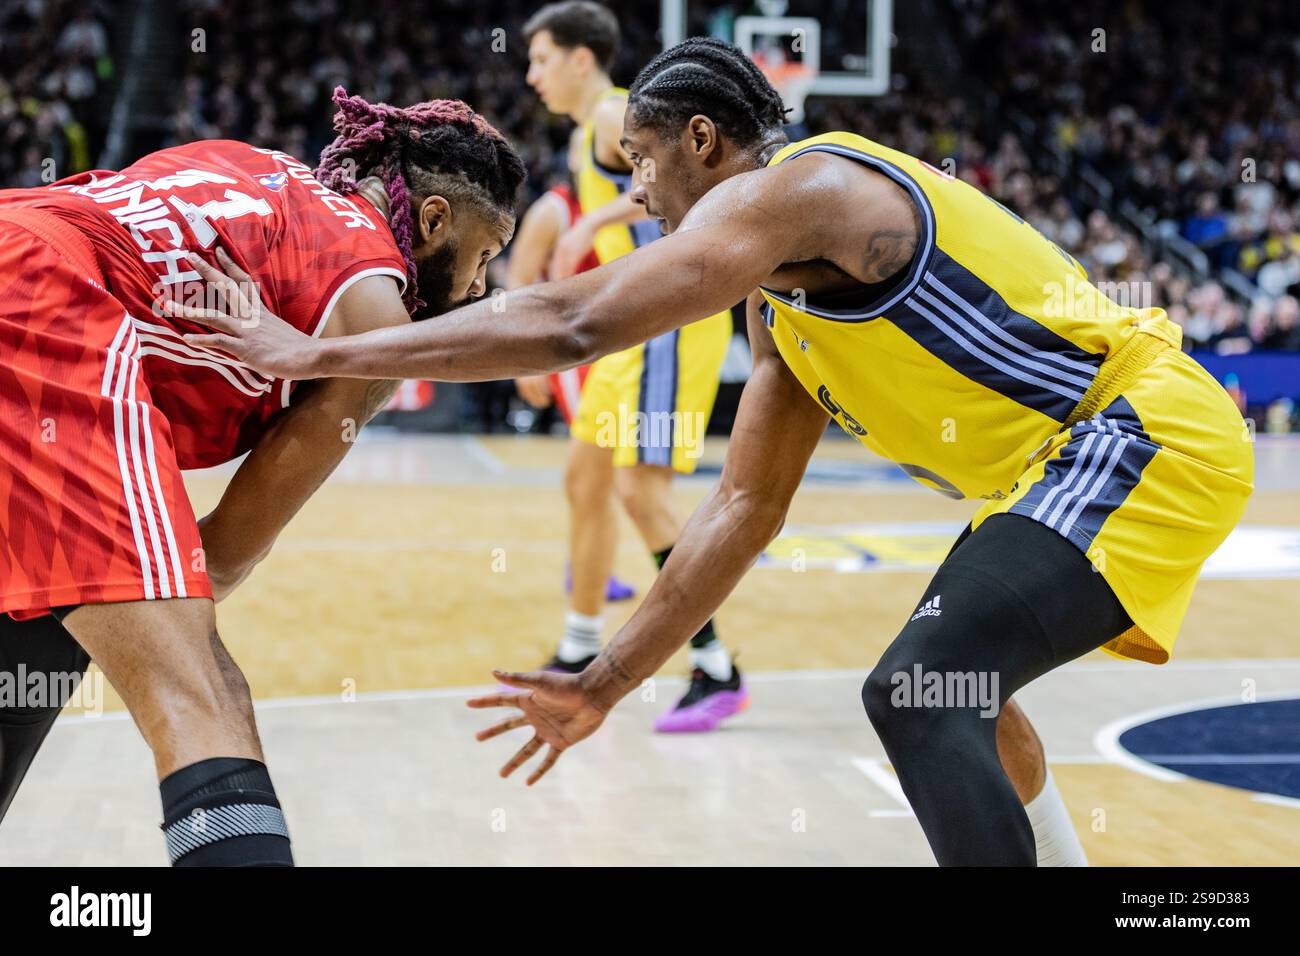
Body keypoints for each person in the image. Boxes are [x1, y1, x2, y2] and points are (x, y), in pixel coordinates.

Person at [173, 40, 1253, 866]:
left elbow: (572, 322)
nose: (633, 194)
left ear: (701, 142)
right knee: (972, 696)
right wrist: (604, 681)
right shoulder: (782, 313)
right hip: (1057, 467)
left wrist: (327, 346)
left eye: (640, 163)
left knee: (922, 690)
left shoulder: (805, 188)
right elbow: (742, 510)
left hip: (1138, 428)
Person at [0, 88, 524, 866]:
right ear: (436, 220)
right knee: (203, 687)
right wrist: (152, 621)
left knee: (35, 638)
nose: (479, 287)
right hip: (38, 305)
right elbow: (234, 548)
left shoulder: (261, 167)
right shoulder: (375, 313)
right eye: (483, 257)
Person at [521, 2, 746, 732]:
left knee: (639, 492)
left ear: (581, 60)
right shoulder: (593, 130)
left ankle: (716, 668)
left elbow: (695, 180)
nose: (533, 76)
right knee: (585, 480)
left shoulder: (615, 112)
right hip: (634, 326)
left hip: (671, 320)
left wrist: (593, 220)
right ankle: (578, 645)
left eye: (542, 60)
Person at [510, 128, 635, 604]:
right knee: (596, 472)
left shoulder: (624, 211)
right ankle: (585, 569)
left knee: (607, 472)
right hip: (571, 354)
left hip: (616, 349)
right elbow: (520, 282)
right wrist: (527, 362)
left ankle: (591, 565)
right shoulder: (555, 210)